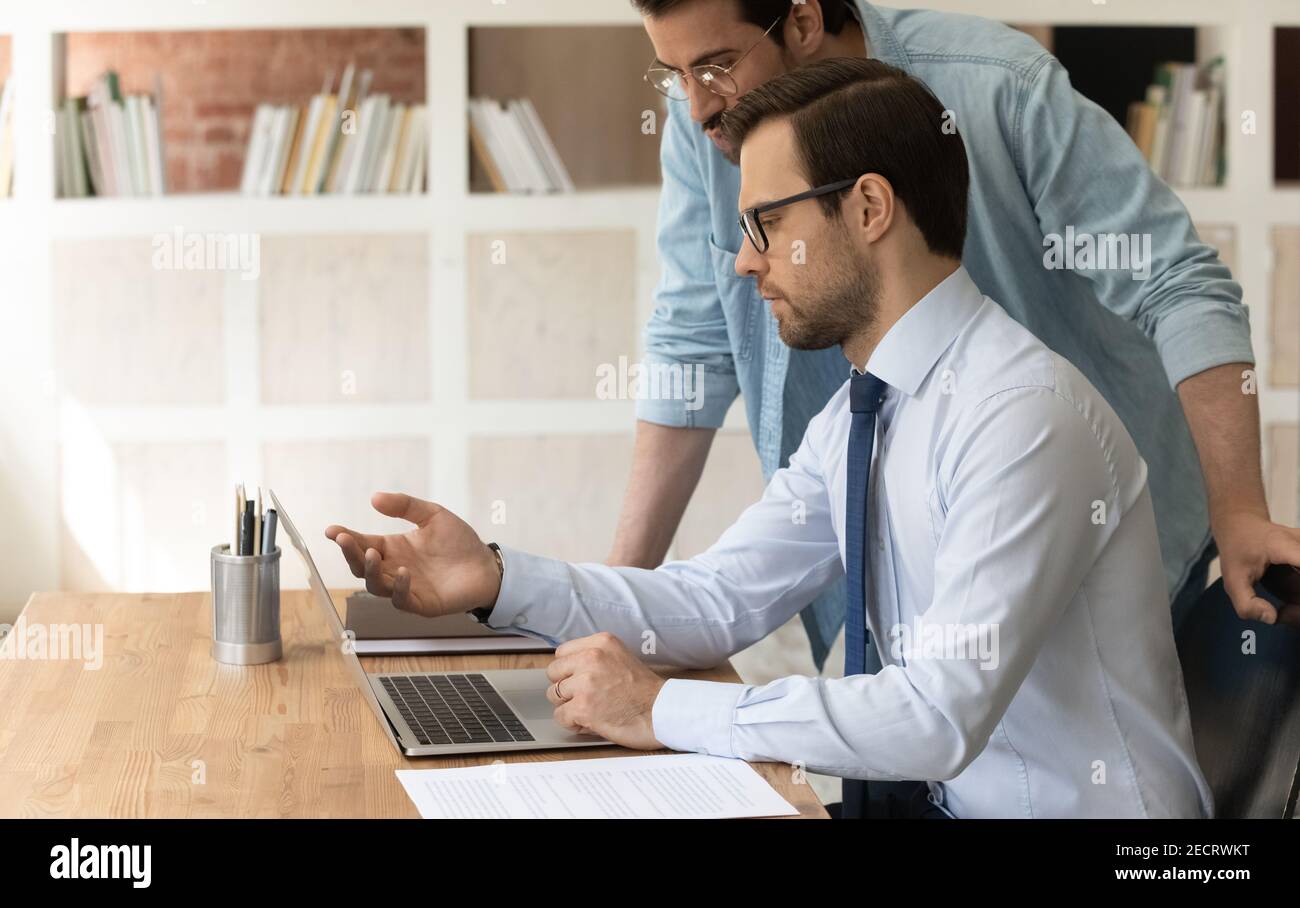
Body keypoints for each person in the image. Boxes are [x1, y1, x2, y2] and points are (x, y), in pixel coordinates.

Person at [326, 58, 1212, 819]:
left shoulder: (1019, 415)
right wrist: (498, 576)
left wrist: (662, 707)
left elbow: (935, 718)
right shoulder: (870, 406)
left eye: (767, 224)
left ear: (868, 207)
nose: (745, 261)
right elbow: (717, 601)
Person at [608, 0, 1299, 678]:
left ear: (804, 19)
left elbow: (1179, 283)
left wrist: (1242, 511)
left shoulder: (997, 86)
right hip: (898, 553)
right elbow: (692, 343)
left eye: (715, 66)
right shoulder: (707, 130)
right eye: (673, 74)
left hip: (1096, 537)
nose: (694, 106)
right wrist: (622, 605)